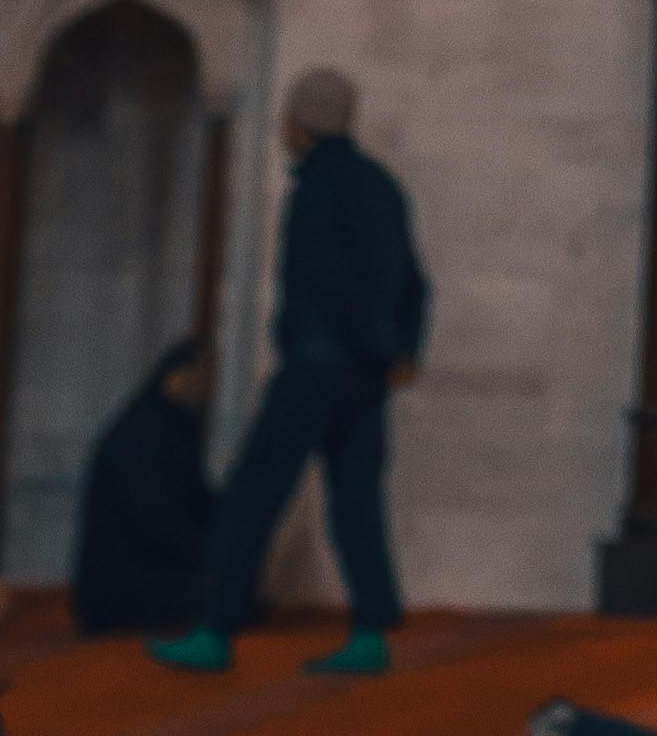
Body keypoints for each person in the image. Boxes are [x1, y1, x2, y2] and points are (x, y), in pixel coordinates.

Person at [150, 68, 427, 679]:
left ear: (302, 122)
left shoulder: (316, 190)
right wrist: (400, 350)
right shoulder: (380, 184)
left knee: (252, 495)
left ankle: (216, 630)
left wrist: (358, 346)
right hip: (366, 376)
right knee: (355, 501)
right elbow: (411, 280)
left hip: (317, 367)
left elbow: (330, 286)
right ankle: (370, 635)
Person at [67, 336, 213, 638]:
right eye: (203, 374)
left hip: (152, 574)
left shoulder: (174, 429)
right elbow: (154, 516)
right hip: (118, 589)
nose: (208, 386)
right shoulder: (143, 433)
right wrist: (211, 554)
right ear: (179, 375)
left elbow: (197, 503)